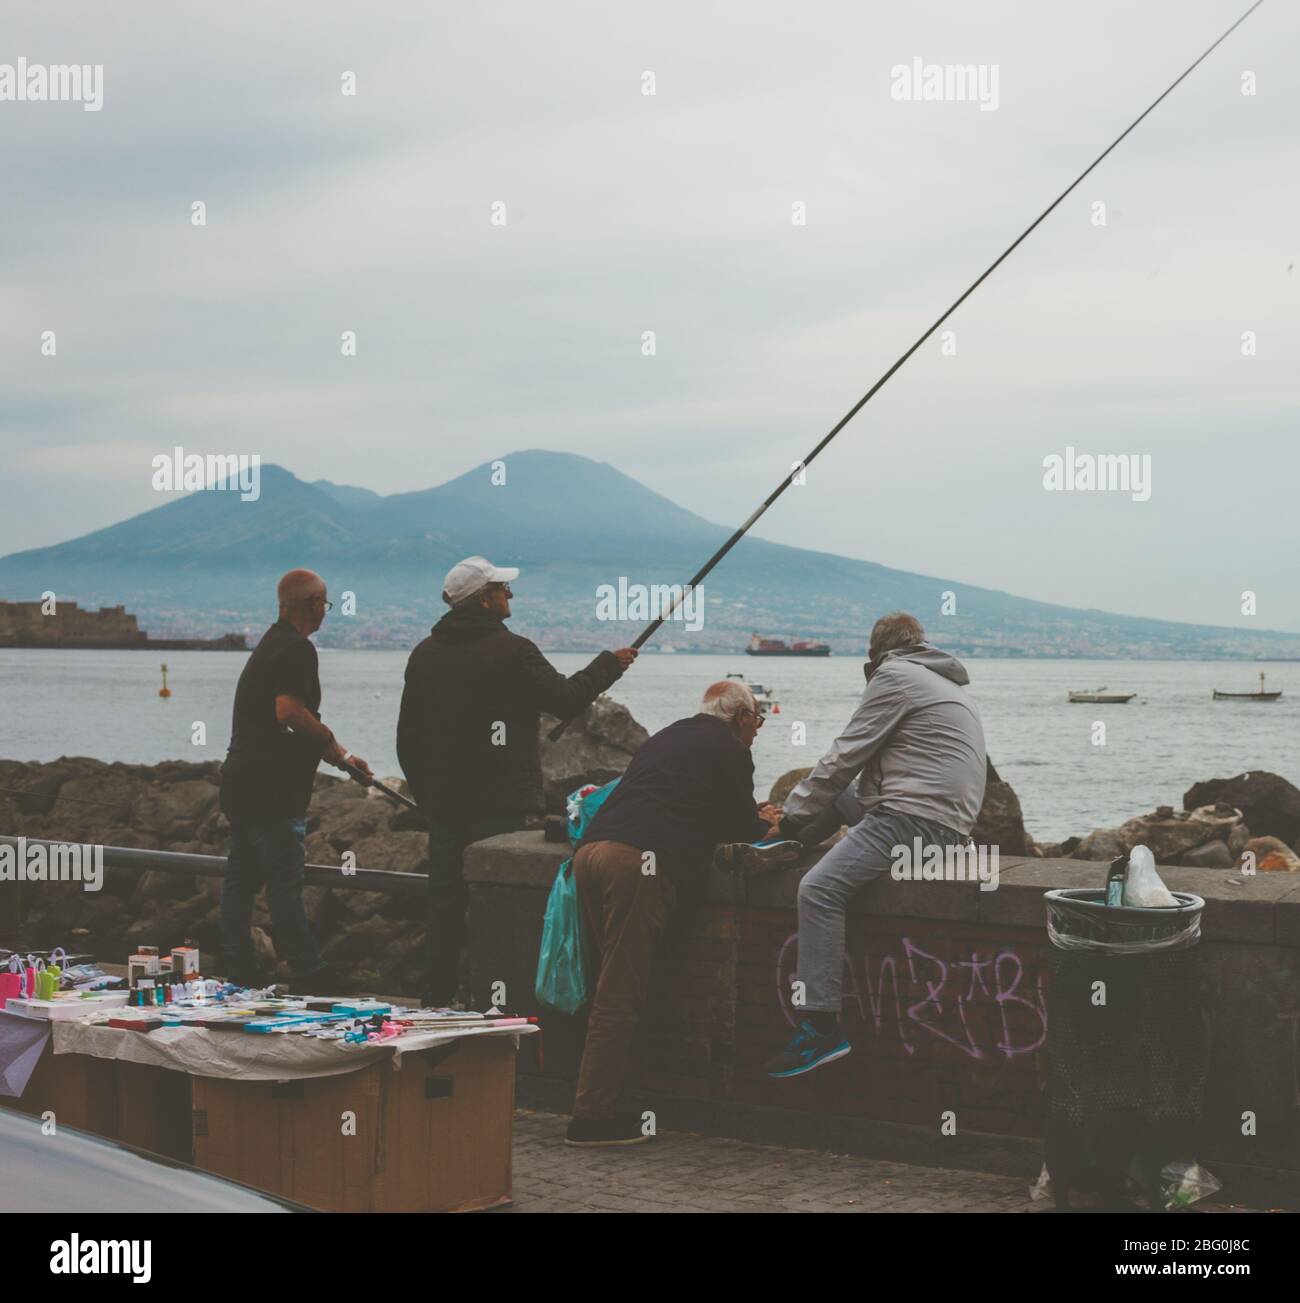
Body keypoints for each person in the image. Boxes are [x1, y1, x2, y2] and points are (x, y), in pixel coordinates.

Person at [397, 555, 637, 1007]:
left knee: (445, 905)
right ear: (486, 600)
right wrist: (609, 664)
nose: (511, 595)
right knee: (499, 902)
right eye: (504, 589)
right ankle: (498, 1004)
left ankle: (437, 1001)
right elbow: (565, 698)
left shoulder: (424, 654)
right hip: (500, 804)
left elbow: (407, 739)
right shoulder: (513, 650)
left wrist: (426, 796)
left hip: (445, 806)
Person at [763, 611, 987, 1079]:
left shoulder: (894, 677)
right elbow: (855, 784)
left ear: (875, 654)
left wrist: (790, 817)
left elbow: (844, 756)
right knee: (843, 798)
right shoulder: (937, 680)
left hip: (915, 822)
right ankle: (774, 848)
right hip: (948, 823)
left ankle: (821, 1027)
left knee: (817, 890)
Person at [564, 680, 786, 1147]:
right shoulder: (730, 747)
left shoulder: (667, 735)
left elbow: (678, 801)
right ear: (742, 717)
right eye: (758, 721)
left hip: (590, 854)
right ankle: (591, 1118)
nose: (758, 730)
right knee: (619, 990)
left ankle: (594, 1093)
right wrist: (769, 822)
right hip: (637, 862)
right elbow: (738, 826)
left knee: (603, 980)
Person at [219, 568, 373, 985]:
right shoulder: (297, 650)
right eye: (324, 602)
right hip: (274, 791)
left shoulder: (270, 645)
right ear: (310, 605)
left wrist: (343, 758)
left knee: (242, 879)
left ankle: (239, 967)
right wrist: (332, 741)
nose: (326, 610)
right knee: (284, 886)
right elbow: (289, 712)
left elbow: (293, 721)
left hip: (239, 783)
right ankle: (309, 972)